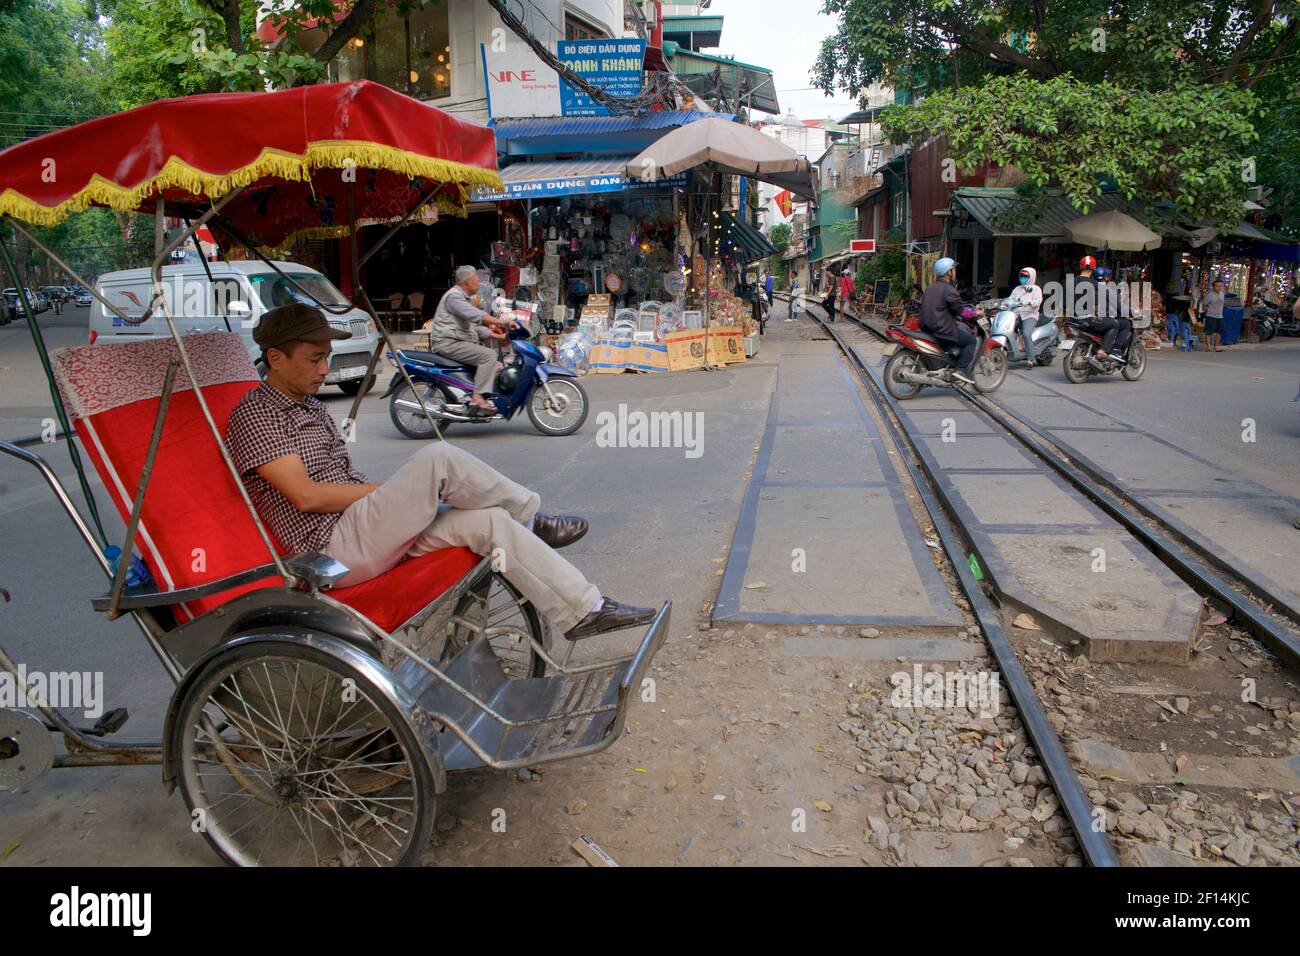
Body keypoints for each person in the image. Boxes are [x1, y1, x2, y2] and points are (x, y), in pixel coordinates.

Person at [225, 302, 655, 641]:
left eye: (326, 358)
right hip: (330, 548)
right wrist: (394, 493)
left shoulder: (312, 407)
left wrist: (399, 498)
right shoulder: (256, 414)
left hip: (363, 529)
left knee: (490, 522)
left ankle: (585, 610)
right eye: (314, 359)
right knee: (437, 459)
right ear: (276, 358)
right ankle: (531, 516)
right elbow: (307, 496)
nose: (325, 369)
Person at [426, 265, 515, 415]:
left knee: (497, 364)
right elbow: (475, 315)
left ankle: (477, 395)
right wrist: (503, 322)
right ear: (467, 282)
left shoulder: (461, 298)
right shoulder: (454, 297)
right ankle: (477, 397)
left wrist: (499, 336)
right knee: (488, 356)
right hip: (448, 343)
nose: (478, 284)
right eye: (475, 280)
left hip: (456, 341)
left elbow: (473, 328)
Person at [920, 257, 977, 385]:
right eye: (953, 269)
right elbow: (961, 311)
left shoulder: (930, 288)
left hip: (927, 327)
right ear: (949, 272)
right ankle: (960, 370)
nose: (955, 272)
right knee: (971, 341)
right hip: (942, 329)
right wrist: (975, 313)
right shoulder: (949, 290)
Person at [1006, 266, 1043, 367]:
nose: (1023, 278)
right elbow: (1010, 299)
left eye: (1026, 276)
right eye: (1021, 276)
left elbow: (1038, 302)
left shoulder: (1036, 289)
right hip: (1016, 314)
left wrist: (1029, 302)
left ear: (1031, 277)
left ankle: (1031, 358)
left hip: (1029, 315)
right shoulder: (1017, 289)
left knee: (1026, 334)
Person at [1199, 277, 1226, 352]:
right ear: (1213, 287)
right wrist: (1206, 312)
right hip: (1211, 315)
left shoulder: (1222, 294)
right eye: (1217, 286)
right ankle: (1208, 346)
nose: (1219, 287)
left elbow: (1222, 303)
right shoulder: (1209, 295)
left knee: (1219, 332)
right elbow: (1204, 304)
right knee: (1209, 332)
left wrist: (1221, 311)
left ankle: (1216, 346)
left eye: (1221, 286)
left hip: (1220, 316)